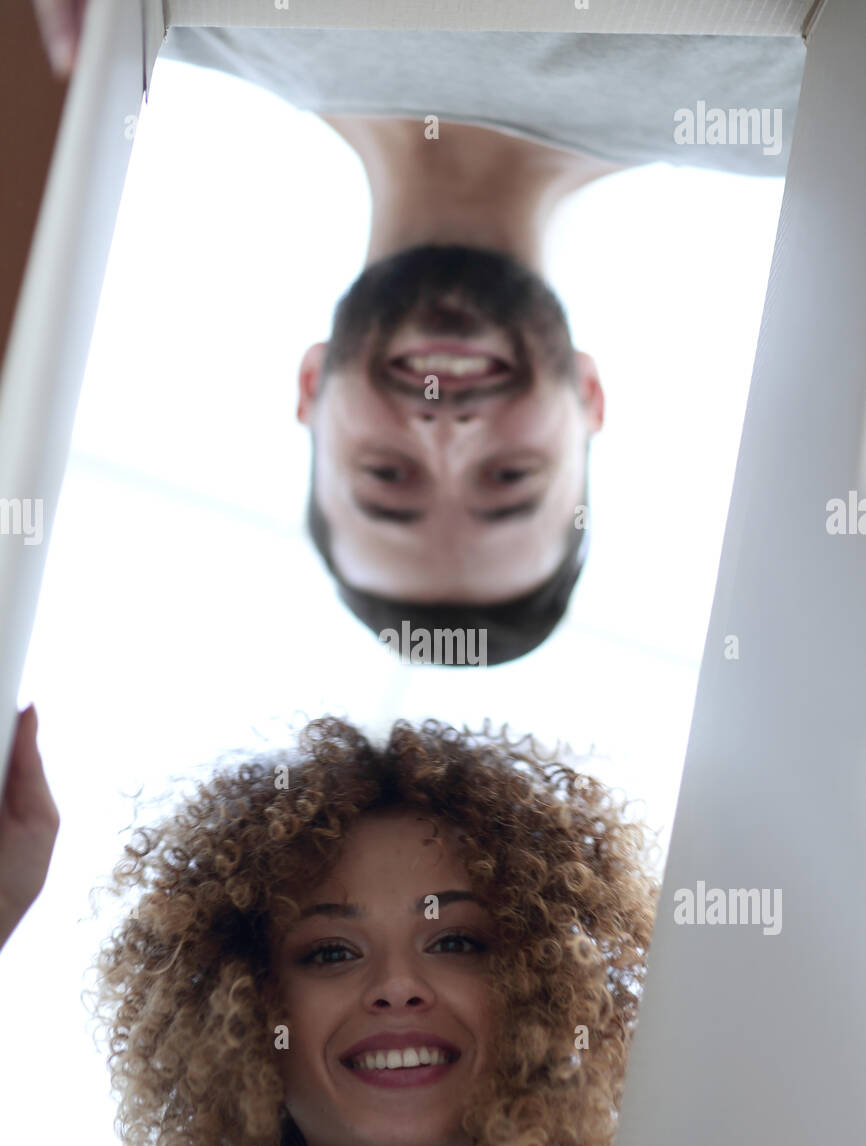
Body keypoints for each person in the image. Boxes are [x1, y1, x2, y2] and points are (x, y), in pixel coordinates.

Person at [31, 3, 806, 662]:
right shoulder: (792, 92)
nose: (448, 431)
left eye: (387, 475)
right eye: (509, 478)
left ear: (312, 383)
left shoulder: (173, 23)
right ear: (590, 396)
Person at [1, 704, 658, 1146]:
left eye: (456, 941)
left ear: (545, 997)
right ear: (248, 1018)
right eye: (331, 953)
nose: (396, 986)